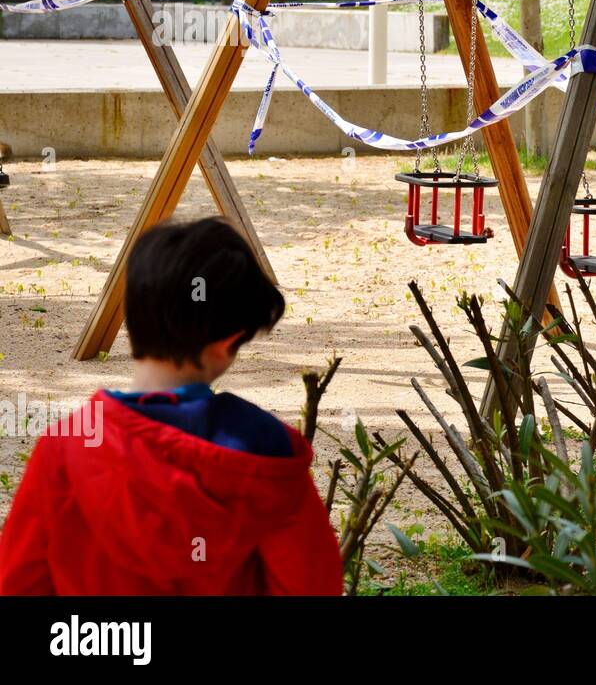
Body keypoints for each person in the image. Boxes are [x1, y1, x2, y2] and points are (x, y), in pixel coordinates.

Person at [0, 217, 341, 594]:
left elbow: (19, 581)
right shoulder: (270, 452)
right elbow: (312, 584)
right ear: (227, 342)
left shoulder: (64, 448)